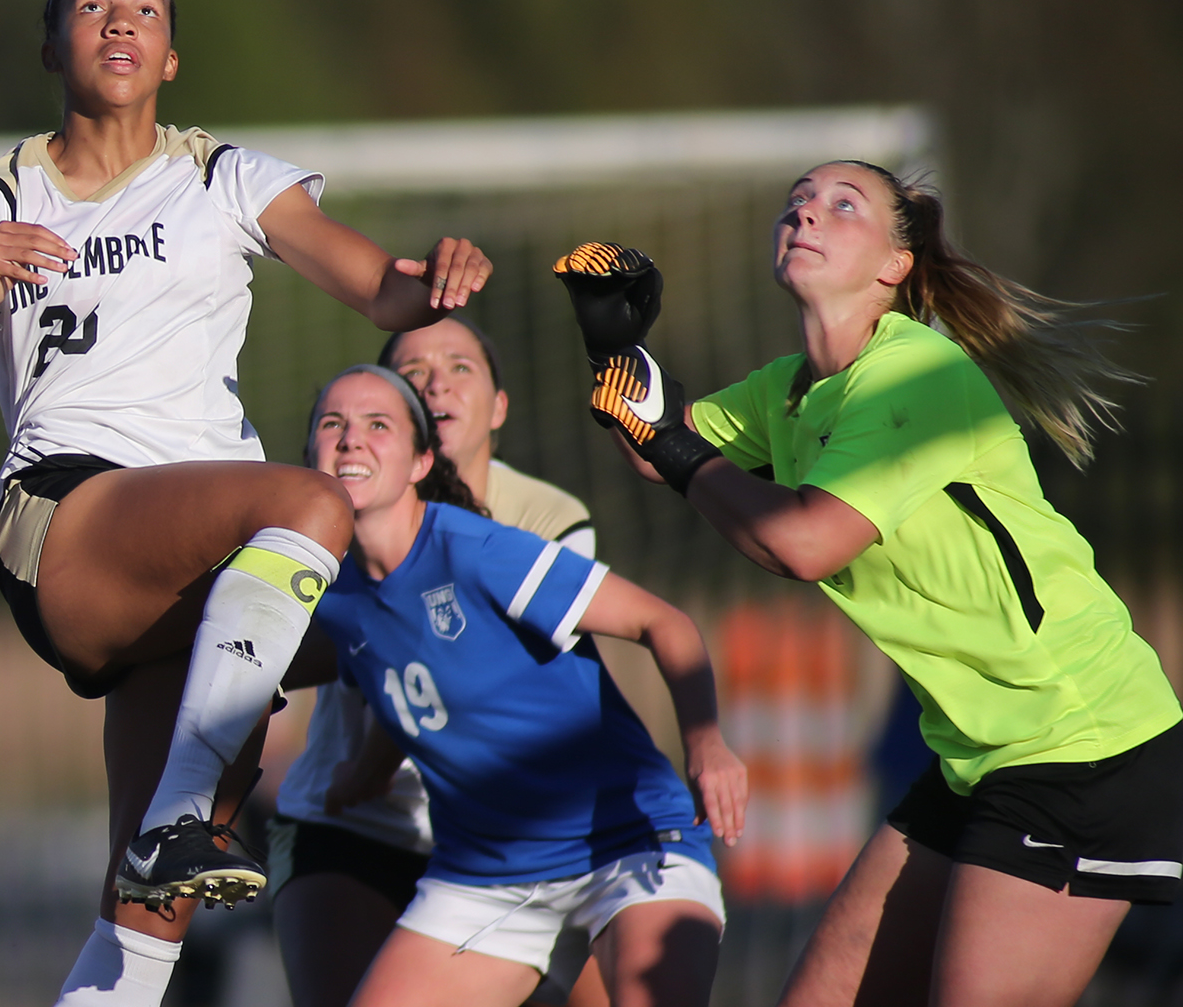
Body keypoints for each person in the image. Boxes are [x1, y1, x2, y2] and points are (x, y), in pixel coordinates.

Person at [0, 0, 490, 1007]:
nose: (121, 23)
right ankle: (189, 816)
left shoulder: (224, 176)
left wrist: (440, 281)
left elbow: (384, 292)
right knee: (312, 501)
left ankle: (173, 838)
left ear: (171, 56)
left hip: (212, 569)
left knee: (145, 915)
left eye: (146, 10)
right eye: (92, 6)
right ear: (50, 46)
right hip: (64, 517)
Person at [558, 163, 1183, 1007]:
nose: (805, 213)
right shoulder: (790, 389)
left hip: (1081, 744)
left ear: (895, 264)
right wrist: (613, 348)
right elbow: (653, 443)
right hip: (976, 753)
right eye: (797, 203)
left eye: (841, 206)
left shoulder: (915, 374)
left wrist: (673, 447)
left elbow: (803, 542)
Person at [303, 364, 746, 1007]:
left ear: (422, 460)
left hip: (625, 847)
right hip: (482, 879)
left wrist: (706, 745)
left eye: (378, 425)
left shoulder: (477, 552)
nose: (350, 440)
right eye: (331, 424)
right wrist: (363, 775)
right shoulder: (332, 591)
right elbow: (404, 686)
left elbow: (664, 622)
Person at [271, 318, 607, 1007]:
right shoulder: (324, 517)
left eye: (459, 366)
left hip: (510, 839)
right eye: (412, 368)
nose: (434, 381)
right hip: (355, 829)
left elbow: (476, 664)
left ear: (500, 406)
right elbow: (262, 658)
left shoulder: (549, 517)